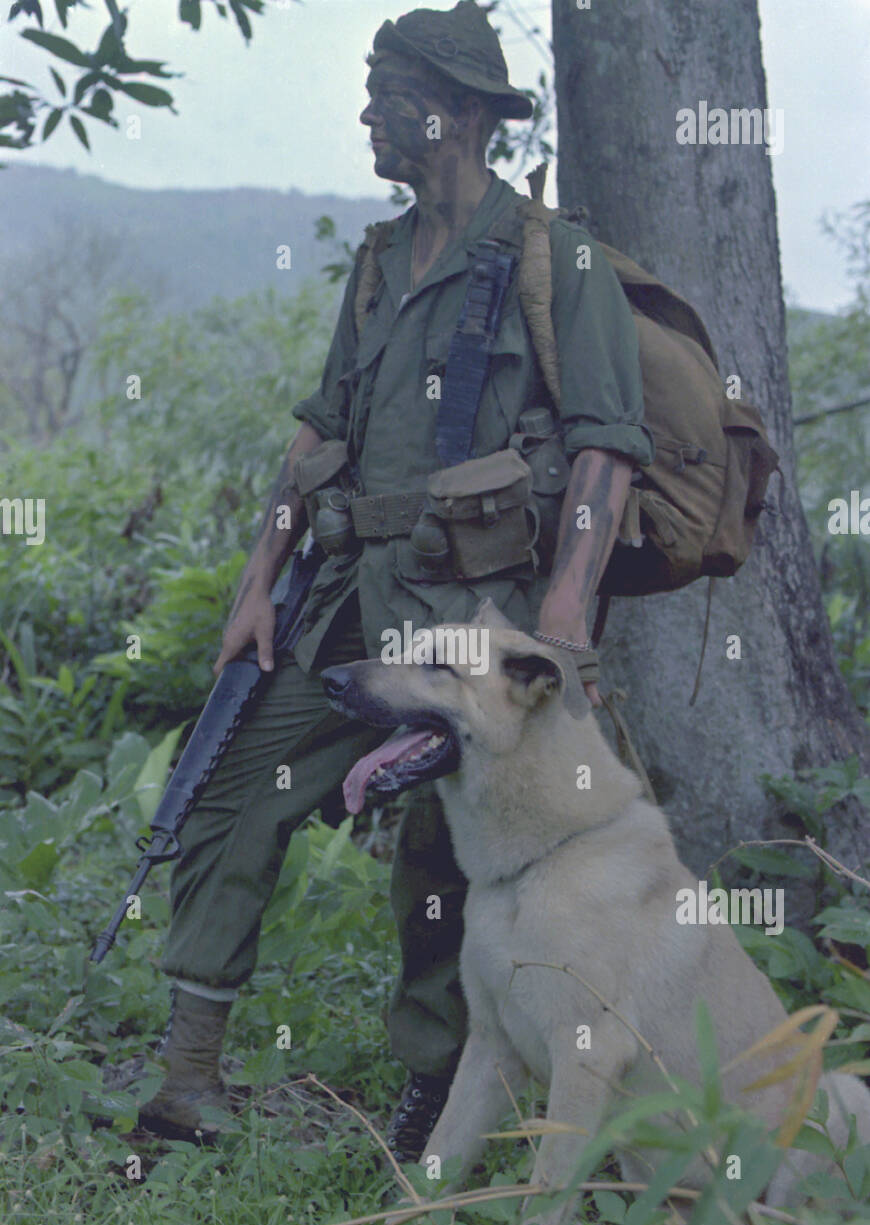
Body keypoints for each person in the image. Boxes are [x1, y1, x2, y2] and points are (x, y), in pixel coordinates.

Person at [123, 0, 655, 1160]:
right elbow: (316, 439)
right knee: (230, 790)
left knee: (445, 854)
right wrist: (257, 579)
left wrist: (565, 608)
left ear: (455, 112)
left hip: (483, 625)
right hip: (349, 609)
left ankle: (437, 1093)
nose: (367, 113)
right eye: (366, 89)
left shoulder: (553, 257)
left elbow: (609, 444)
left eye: (387, 91)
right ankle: (190, 1075)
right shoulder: (376, 263)